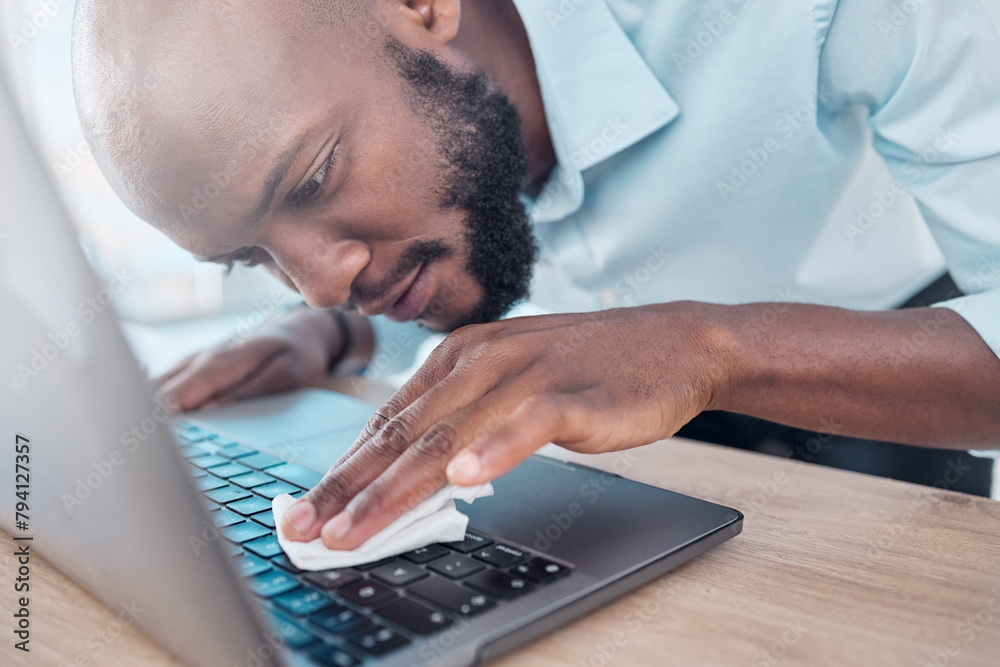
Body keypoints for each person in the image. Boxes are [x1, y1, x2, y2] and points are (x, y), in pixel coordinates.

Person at [71, 0, 1000, 551]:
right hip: (638, 447)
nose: (316, 280)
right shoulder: (412, 168)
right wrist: (342, 331)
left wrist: (709, 350)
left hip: (893, 376)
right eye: (253, 257)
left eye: (313, 179)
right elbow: (473, 237)